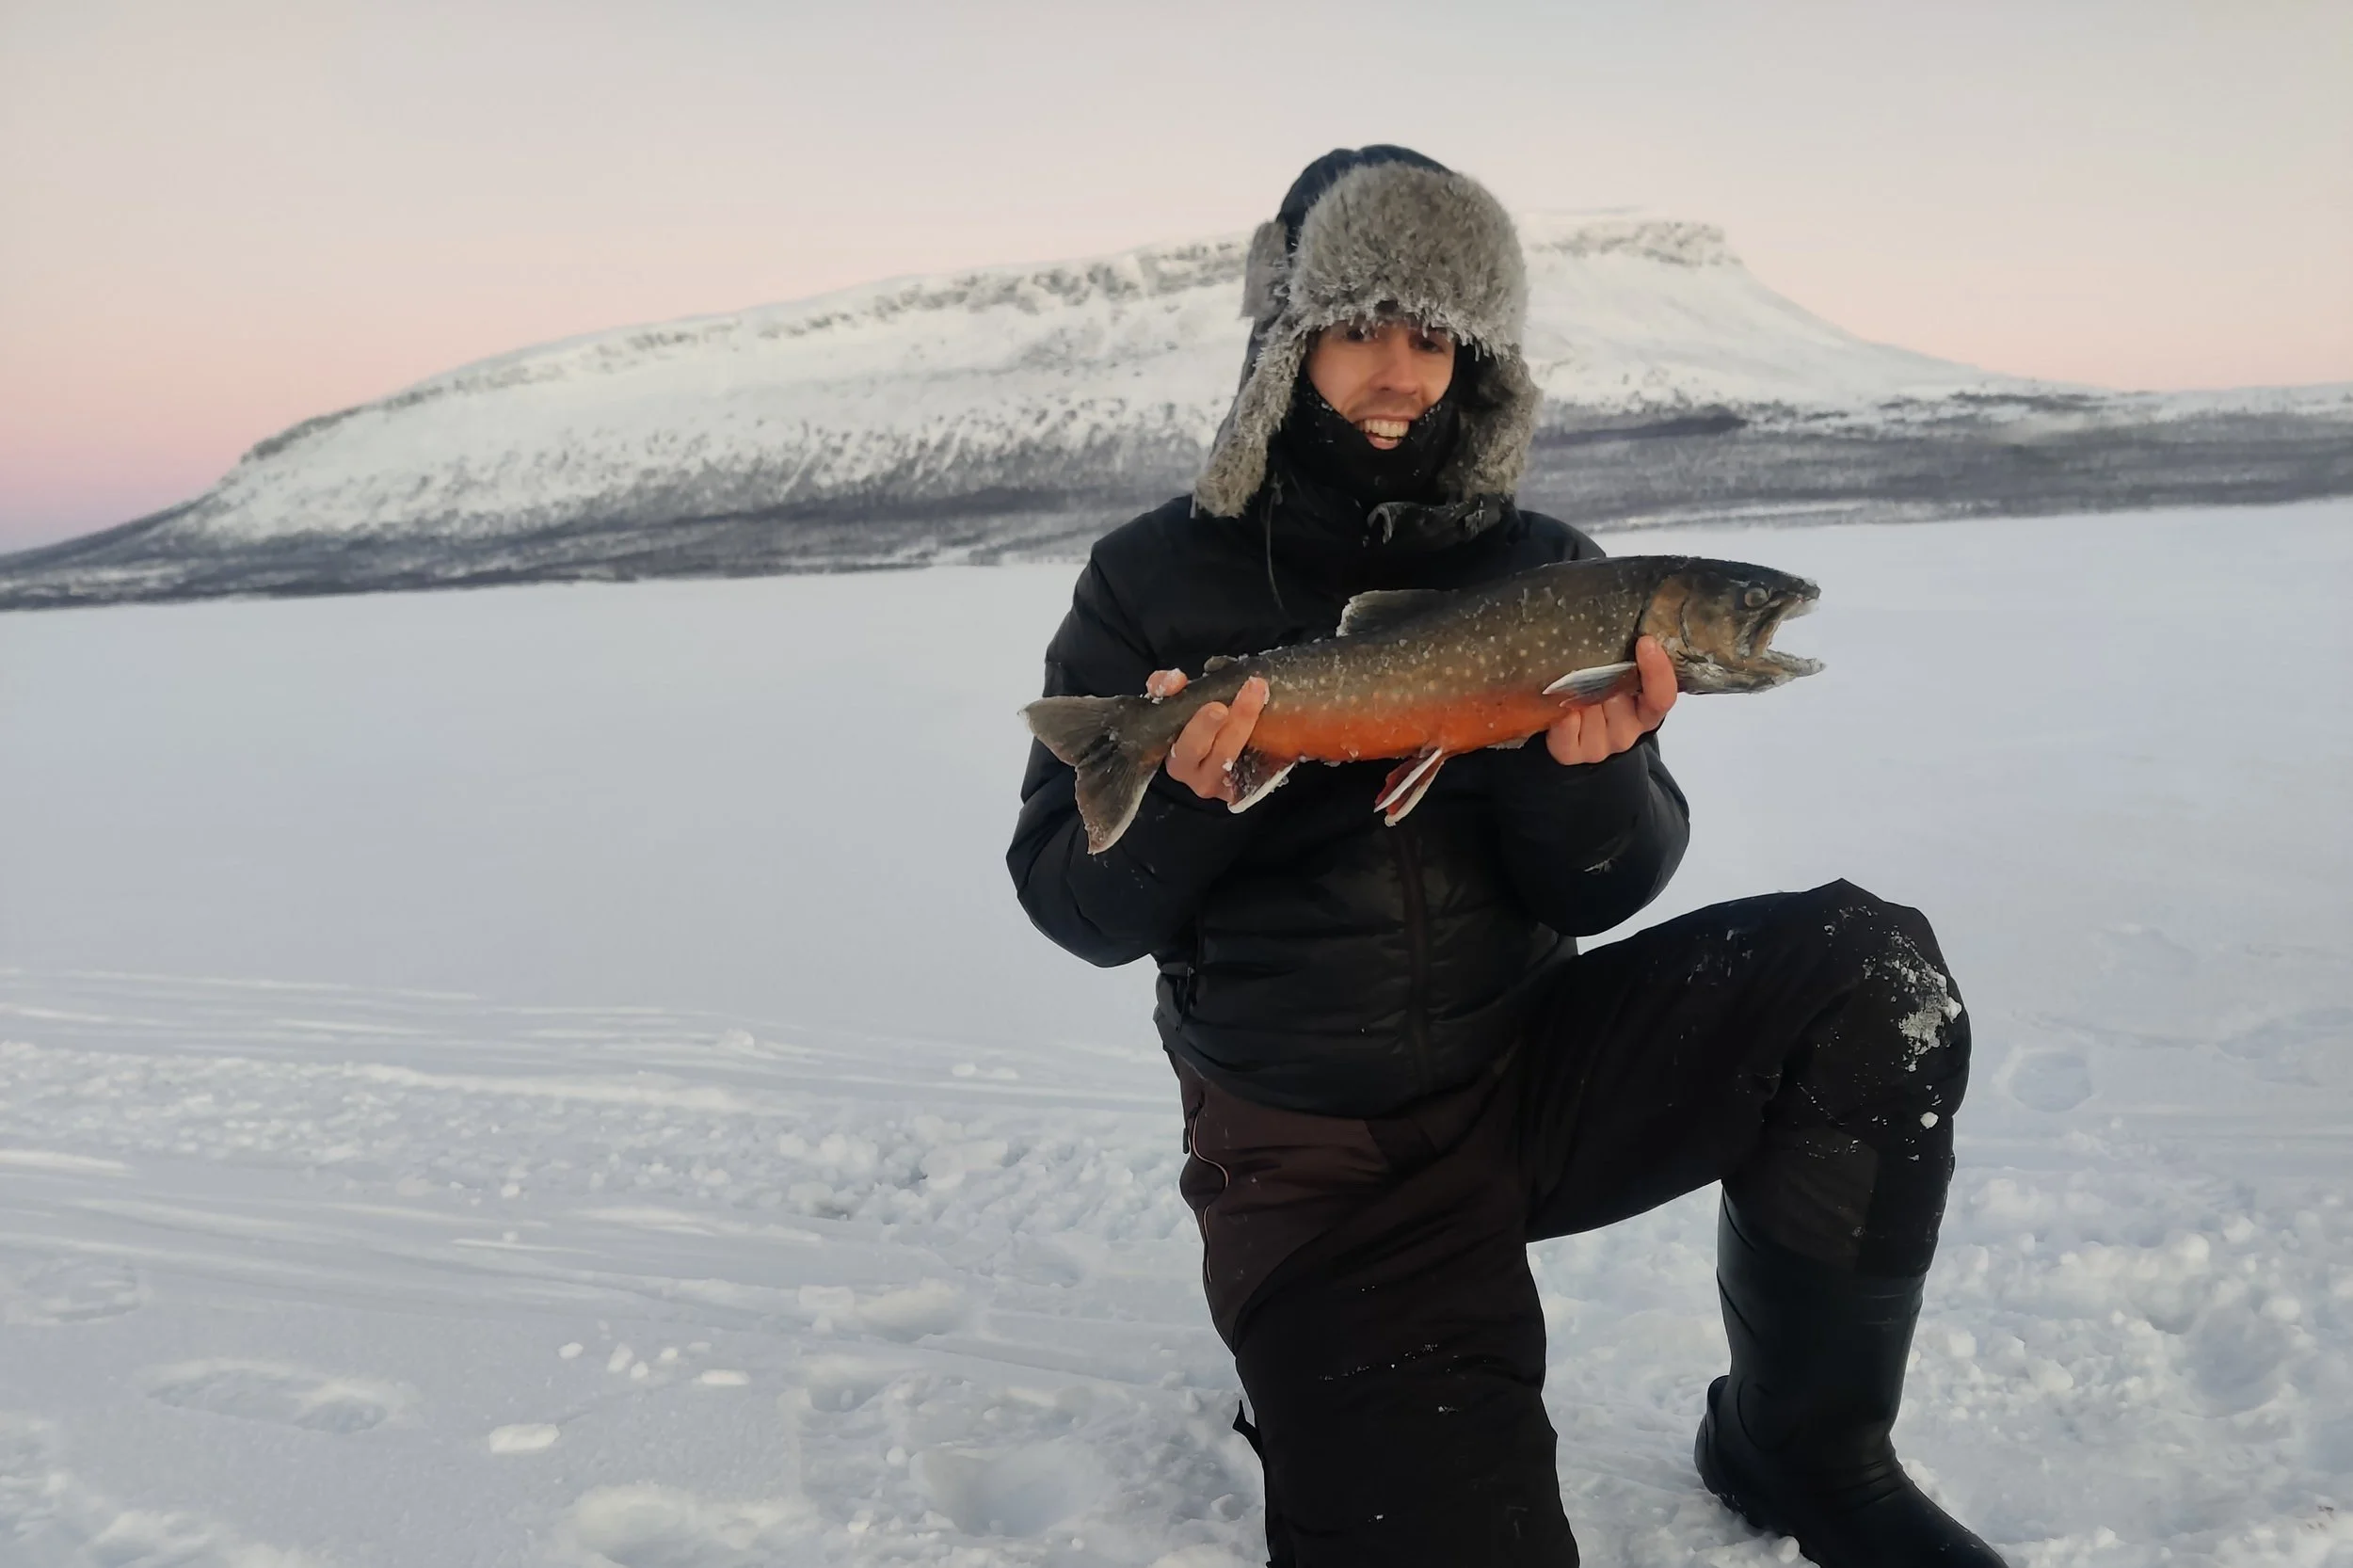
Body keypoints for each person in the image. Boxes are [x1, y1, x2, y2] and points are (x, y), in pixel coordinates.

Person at [1007, 145, 2005, 1568]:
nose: (1400, 369)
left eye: (1436, 334)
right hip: (1320, 1160)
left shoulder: (1553, 571)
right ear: (1287, 342)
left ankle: (1801, 1439)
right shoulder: (1150, 581)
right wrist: (1178, 790)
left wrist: (1577, 783)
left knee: (1871, 975)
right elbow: (1070, 901)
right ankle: (1318, 1370)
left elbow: (1610, 886)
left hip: (1531, 1071)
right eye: (1359, 326)